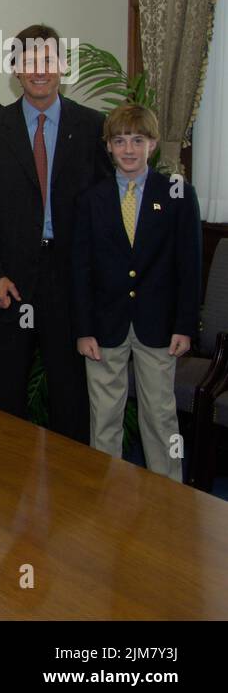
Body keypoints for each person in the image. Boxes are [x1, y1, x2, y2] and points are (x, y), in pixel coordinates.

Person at [0, 24, 112, 442]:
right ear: (14, 68)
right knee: (4, 394)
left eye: (48, 60)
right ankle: (5, 489)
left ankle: (73, 493)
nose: (39, 70)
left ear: (62, 66)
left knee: (71, 394)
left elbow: (105, 214)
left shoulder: (92, 127)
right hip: (8, 281)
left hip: (70, 280)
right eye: (29, 61)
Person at [72, 103, 201, 481]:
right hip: (103, 326)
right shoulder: (90, 199)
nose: (129, 149)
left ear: (153, 144)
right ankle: (105, 494)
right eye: (120, 140)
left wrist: (185, 325)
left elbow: (189, 267)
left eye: (138, 140)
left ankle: (170, 492)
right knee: (105, 416)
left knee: (161, 414)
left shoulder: (177, 195)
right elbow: (79, 270)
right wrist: (83, 329)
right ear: (108, 146)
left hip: (158, 327)